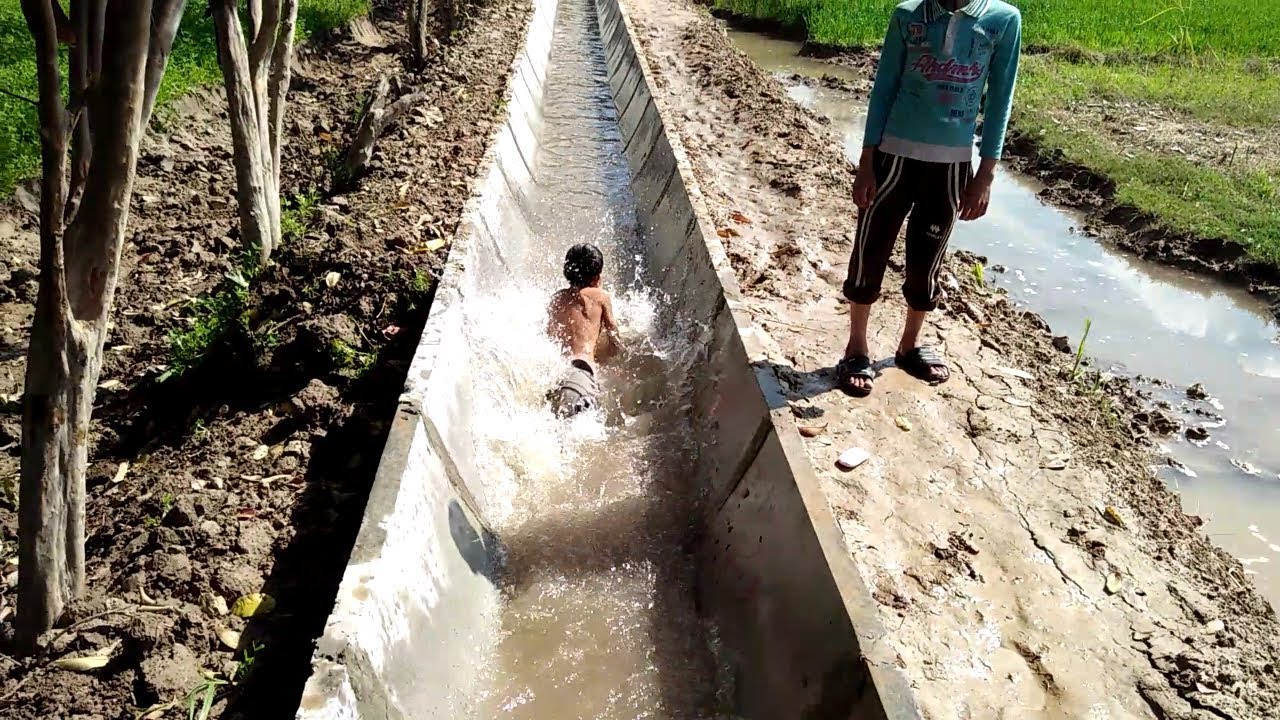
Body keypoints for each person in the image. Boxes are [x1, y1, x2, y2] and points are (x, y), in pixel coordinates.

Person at [838, 0, 1022, 396]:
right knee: (870, 250)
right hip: (893, 158)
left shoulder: (1002, 20)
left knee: (927, 260)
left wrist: (986, 172)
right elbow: (884, 87)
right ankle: (856, 347)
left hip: (951, 165)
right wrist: (867, 160)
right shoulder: (909, 15)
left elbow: (1000, 100)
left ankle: (910, 345)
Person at [546, 243, 624, 417]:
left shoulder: (556, 299)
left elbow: (549, 337)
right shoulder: (600, 296)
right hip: (583, 372)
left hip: (559, 373)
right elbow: (615, 339)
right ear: (597, 277)